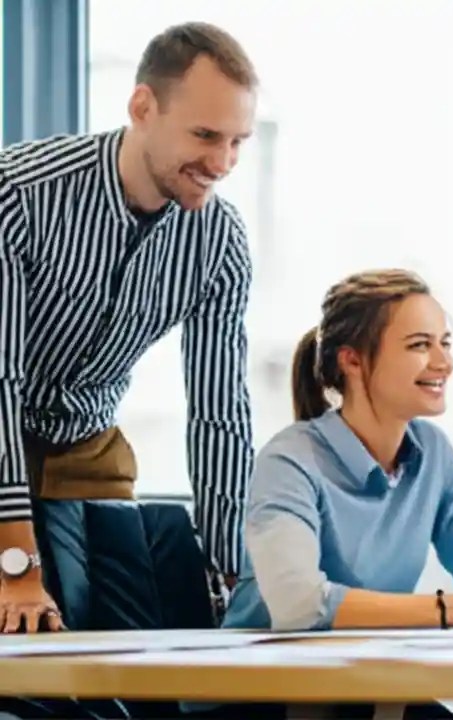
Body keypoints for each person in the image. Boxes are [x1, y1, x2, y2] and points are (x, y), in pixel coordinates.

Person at [186, 269, 453, 720]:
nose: (444, 362)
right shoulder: (289, 460)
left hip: (359, 687)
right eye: (420, 345)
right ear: (352, 361)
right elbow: (297, 604)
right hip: (257, 699)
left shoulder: (432, 452)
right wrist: (450, 608)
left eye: (445, 343)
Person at [0, 21, 259, 635]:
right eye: (205, 136)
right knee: (32, 620)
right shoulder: (18, 196)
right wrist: (17, 568)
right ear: (143, 108)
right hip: (8, 420)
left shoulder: (219, 243)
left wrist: (235, 576)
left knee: (135, 628)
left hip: (88, 442)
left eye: (237, 142)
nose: (222, 163)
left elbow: (220, 412)